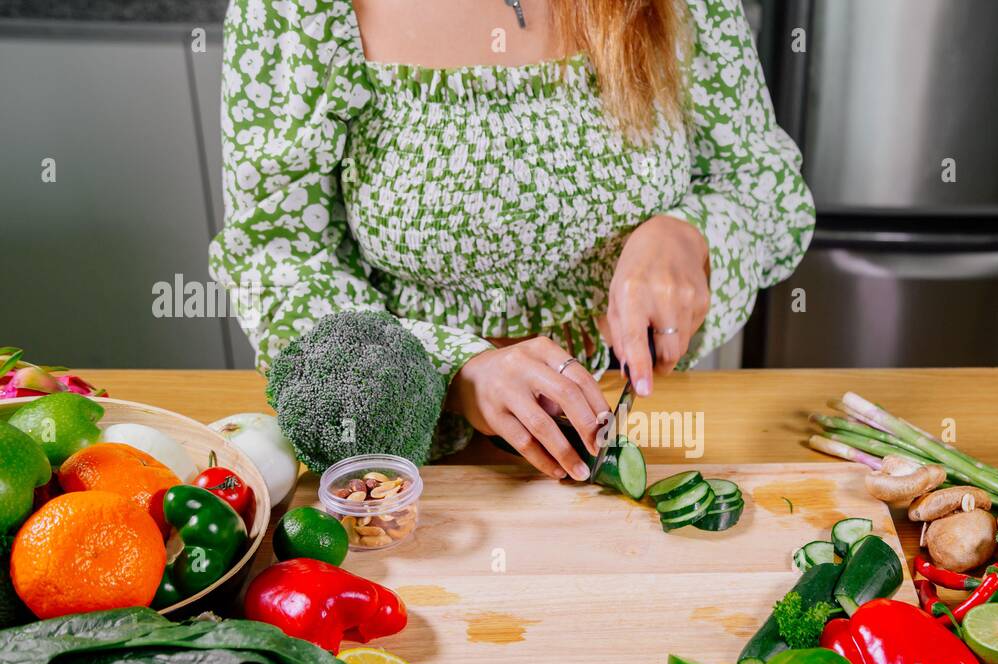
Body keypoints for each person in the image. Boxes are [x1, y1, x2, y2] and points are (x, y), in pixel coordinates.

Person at [211, 0, 813, 479]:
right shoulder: (298, 10)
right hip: (411, 460)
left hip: (652, 427)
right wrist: (456, 368)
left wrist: (690, 234)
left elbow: (763, 189)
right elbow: (277, 259)